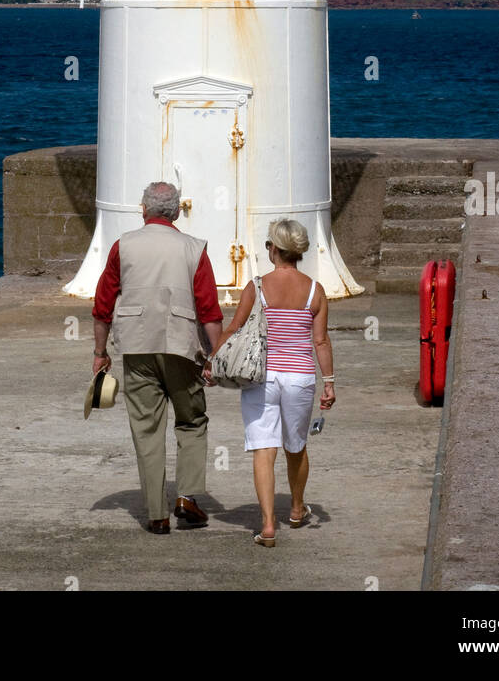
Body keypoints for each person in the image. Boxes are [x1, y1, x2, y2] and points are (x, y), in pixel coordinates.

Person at [92, 181, 223, 535]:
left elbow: (103, 305)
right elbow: (209, 310)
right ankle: (187, 498)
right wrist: (214, 356)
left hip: (137, 347)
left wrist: (100, 353)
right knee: (192, 421)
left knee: (147, 430)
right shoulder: (194, 248)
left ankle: (156, 513)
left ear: (143, 209)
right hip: (182, 347)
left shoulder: (124, 246)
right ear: (177, 211)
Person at [207, 218, 335, 546]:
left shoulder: (257, 287)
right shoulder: (314, 291)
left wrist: (212, 363)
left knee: (264, 449)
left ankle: (267, 525)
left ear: (274, 250)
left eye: (268, 245)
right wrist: (330, 383)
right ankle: (295, 508)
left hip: (261, 377)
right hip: (300, 378)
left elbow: (234, 329)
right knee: (296, 446)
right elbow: (320, 342)